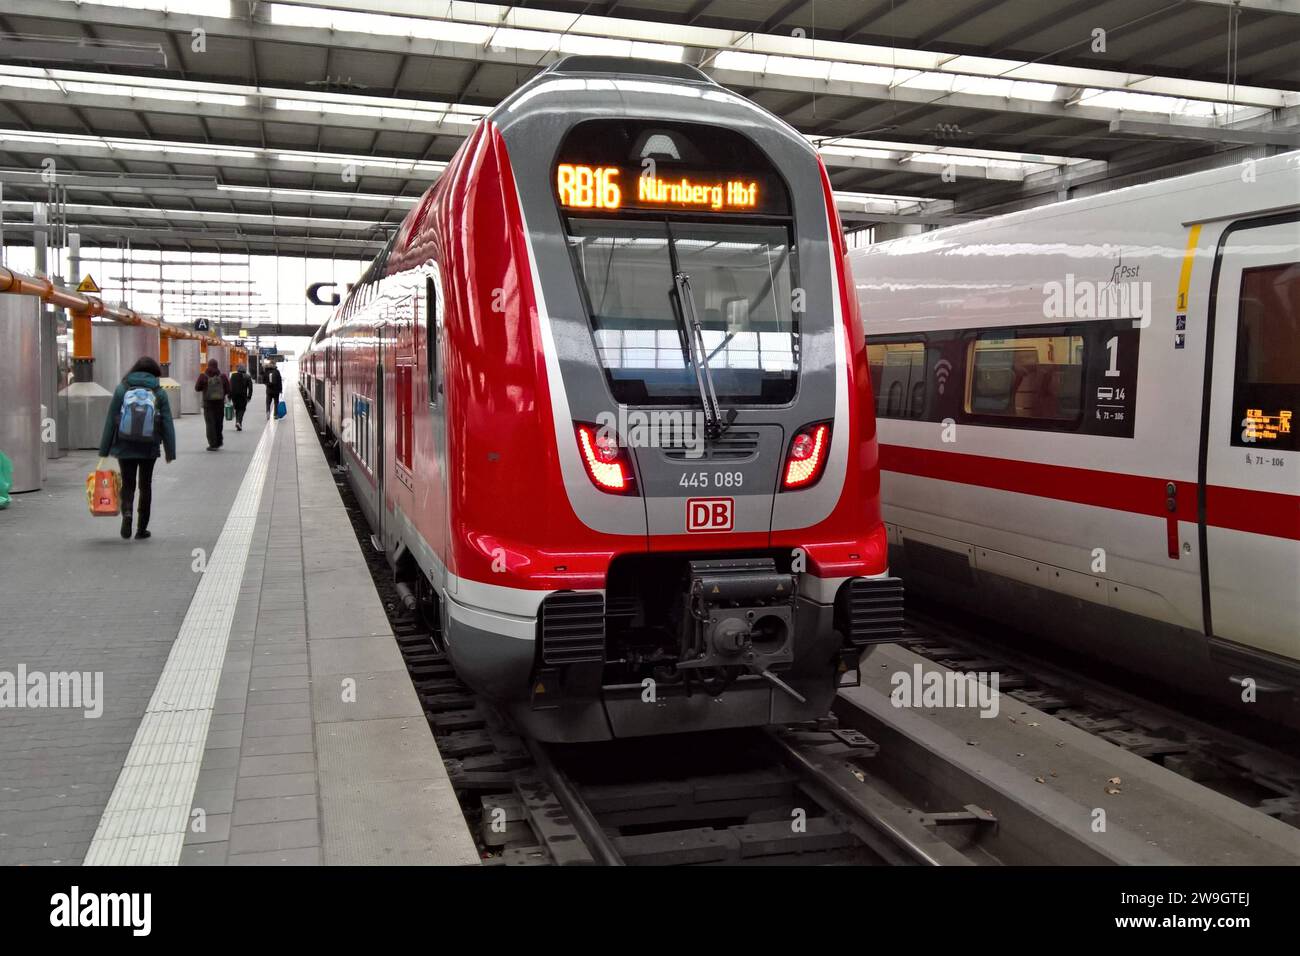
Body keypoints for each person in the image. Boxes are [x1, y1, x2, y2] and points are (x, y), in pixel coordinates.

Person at [98, 355, 176, 541]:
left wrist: (104, 449)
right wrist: (170, 450)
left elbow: (111, 420)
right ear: (154, 373)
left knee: (128, 484)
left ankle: (127, 514)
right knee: (145, 485)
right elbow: (167, 423)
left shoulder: (122, 389)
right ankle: (142, 529)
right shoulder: (159, 392)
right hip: (149, 447)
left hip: (124, 445)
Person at [195, 357, 230, 450]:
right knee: (219, 423)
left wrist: (205, 387)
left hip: (208, 404)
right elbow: (228, 390)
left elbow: (197, 388)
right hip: (220, 404)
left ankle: (213, 444)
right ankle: (219, 442)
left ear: (208, 365)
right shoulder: (223, 376)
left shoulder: (203, 376)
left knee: (210, 424)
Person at [229, 363, 254, 431]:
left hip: (234, 396)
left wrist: (229, 396)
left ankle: (238, 422)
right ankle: (238, 422)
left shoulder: (233, 375)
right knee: (242, 409)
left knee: (237, 409)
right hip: (243, 396)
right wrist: (249, 397)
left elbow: (230, 386)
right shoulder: (247, 376)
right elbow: (250, 388)